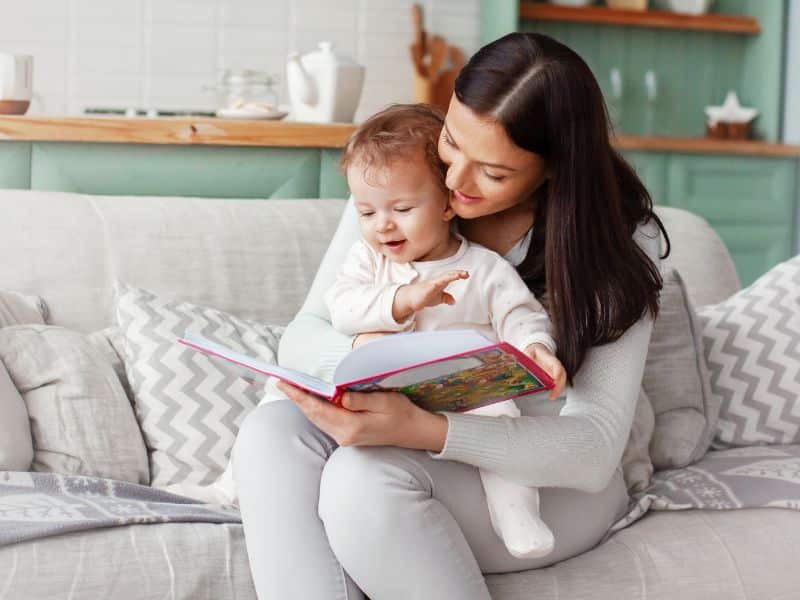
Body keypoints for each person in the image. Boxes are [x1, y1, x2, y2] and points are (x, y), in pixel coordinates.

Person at [233, 31, 669, 600]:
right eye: (452, 141)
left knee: (363, 478)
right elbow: (305, 334)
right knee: (271, 432)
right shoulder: (405, 181)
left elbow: (591, 450)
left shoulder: (612, 242)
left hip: (542, 475)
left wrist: (422, 427)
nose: (455, 180)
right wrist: (372, 372)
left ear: (554, 170)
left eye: (493, 172)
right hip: (406, 437)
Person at [325, 103, 567, 559]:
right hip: (385, 392)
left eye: (402, 208)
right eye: (366, 212)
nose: (383, 225)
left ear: (446, 204)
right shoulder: (368, 259)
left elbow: (520, 313)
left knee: (503, 417)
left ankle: (516, 513)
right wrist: (403, 301)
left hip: (463, 393)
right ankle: (233, 483)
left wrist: (536, 348)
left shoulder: (482, 267)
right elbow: (341, 307)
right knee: (285, 399)